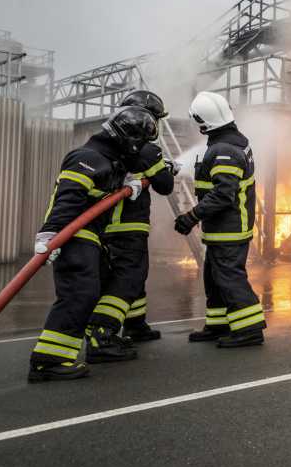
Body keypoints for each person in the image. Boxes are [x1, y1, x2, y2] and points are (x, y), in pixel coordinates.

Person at [28, 107, 158, 382]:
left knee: (91, 291)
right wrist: (50, 233)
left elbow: (101, 188)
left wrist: (127, 184)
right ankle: (48, 361)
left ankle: (58, 355)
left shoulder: (105, 159)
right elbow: (69, 196)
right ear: (130, 140)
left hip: (90, 237)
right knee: (79, 293)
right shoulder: (88, 158)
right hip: (74, 236)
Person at [174, 91, 265, 347]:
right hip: (222, 228)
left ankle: (250, 330)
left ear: (204, 123)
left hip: (230, 228)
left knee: (229, 277)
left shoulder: (225, 150)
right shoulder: (229, 143)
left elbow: (223, 194)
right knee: (214, 278)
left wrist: (192, 216)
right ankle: (218, 324)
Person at [92, 90, 176, 343]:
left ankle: (135, 324)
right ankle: (103, 332)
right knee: (128, 278)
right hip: (128, 226)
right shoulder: (147, 150)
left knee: (130, 276)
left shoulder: (110, 144)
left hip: (104, 224)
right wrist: (165, 169)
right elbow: (165, 186)